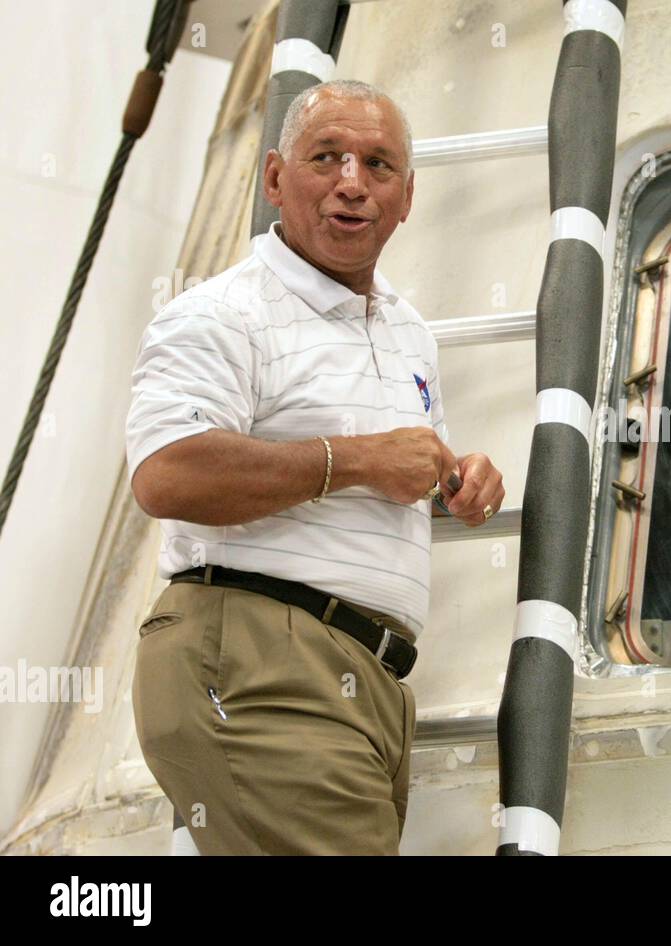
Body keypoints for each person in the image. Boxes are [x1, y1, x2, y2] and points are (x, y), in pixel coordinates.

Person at [125, 80, 504, 855]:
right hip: (260, 660)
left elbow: (391, 478)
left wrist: (455, 484)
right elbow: (167, 474)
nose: (352, 183)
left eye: (378, 165)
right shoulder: (221, 313)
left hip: (362, 679)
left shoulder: (407, 332)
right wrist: (359, 459)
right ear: (274, 179)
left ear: (407, 198)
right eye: (325, 157)